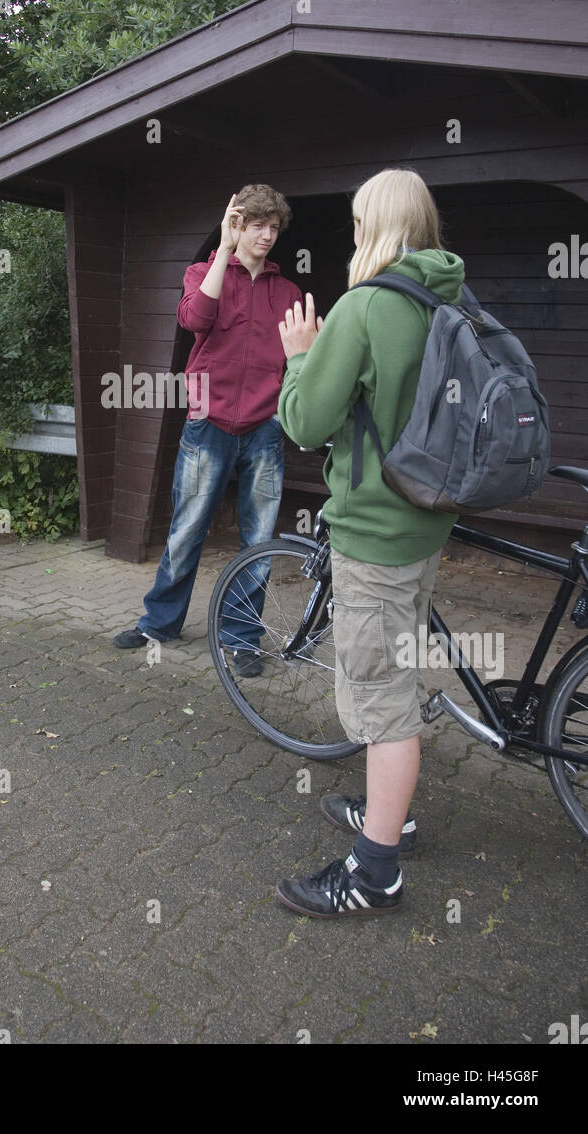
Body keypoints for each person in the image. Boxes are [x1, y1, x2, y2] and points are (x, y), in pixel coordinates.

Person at [274, 167, 464, 917]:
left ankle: (376, 871)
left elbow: (307, 423)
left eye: (358, 221)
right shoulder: (448, 296)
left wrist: (299, 354)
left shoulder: (366, 307)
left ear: (374, 227)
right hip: (426, 523)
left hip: (376, 533)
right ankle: (393, 811)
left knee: (383, 702)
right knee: (398, 671)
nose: (354, 233)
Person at [114, 184, 303, 674]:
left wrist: (283, 409)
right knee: (187, 530)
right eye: (256, 224)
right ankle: (159, 622)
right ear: (237, 225)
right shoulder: (204, 272)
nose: (266, 234)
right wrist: (222, 247)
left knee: (258, 539)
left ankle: (241, 638)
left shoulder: (287, 292)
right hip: (207, 422)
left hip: (264, 427)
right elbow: (194, 318)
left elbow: (302, 357)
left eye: (273, 227)